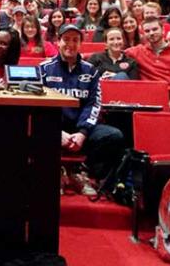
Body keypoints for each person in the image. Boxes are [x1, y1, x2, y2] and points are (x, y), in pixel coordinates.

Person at [40, 25, 125, 184]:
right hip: (53, 127)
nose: (70, 44)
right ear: (58, 42)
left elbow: (94, 104)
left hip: (81, 127)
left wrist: (83, 132)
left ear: (80, 44)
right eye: (66, 39)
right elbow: (39, 105)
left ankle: (83, 172)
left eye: (75, 40)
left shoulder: (91, 70)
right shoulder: (44, 69)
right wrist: (57, 131)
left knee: (114, 136)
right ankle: (52, 174)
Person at [124, 17, 170, 82]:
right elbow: (117, 53)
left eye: (155, 29)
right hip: (146, 92)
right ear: (143, 34)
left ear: (163, 30)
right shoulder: (137, 51)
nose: (151, 33)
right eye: (147, 31)